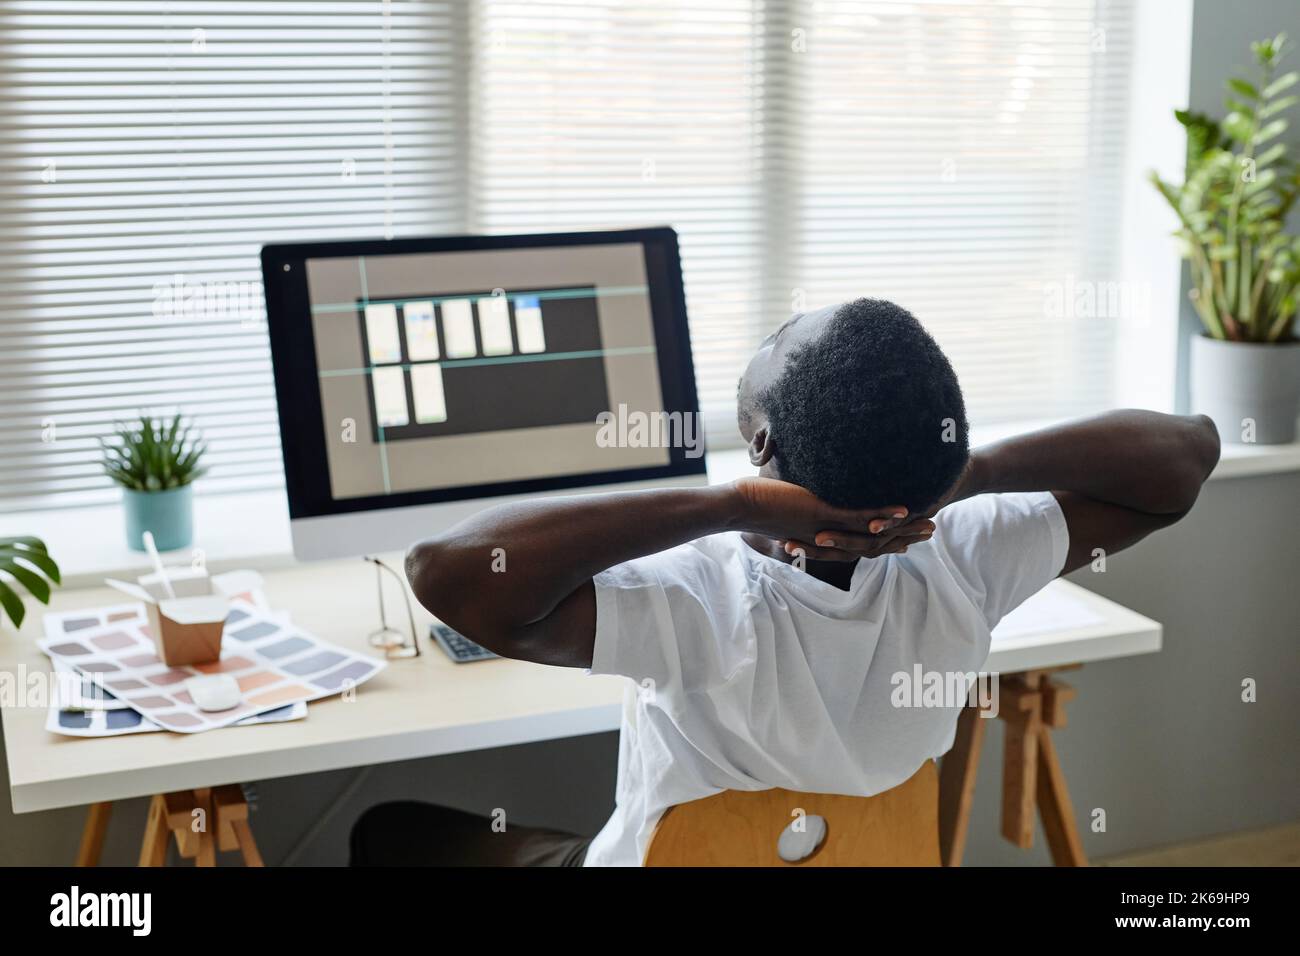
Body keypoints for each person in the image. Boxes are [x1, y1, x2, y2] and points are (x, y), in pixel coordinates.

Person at [351, 298, 1221, 866]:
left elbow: (446, 571)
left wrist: (729, 504)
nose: (777, 329)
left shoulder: (691, 595)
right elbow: (1187, 456)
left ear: (760, 443)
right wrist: (973, 474)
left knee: (391, 832)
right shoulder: (968, 557)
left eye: (780, 338)